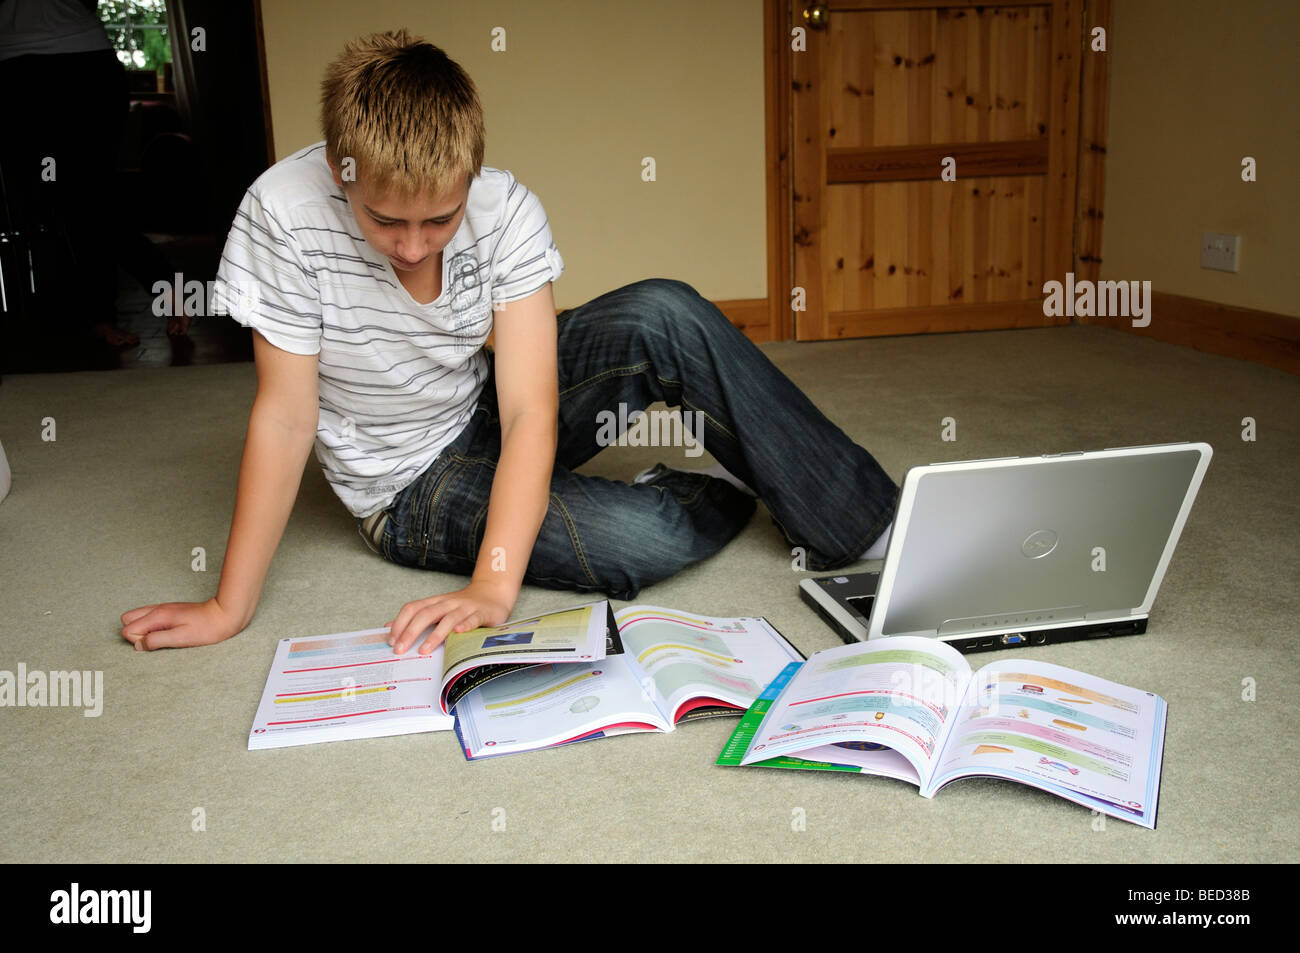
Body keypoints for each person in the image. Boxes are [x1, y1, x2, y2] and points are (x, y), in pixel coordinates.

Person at [120, 30, 897, 655]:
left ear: (471, 177)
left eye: (441, 219)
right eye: (387, 221)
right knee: (641, 540)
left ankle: (860, 519)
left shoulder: (505, 207)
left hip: (488, 407)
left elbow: (530, 409)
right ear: (338, 169)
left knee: (666, 309)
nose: (415, 246)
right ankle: (701, 486)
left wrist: (494, 582)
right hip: (408, 486)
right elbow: (285, 418)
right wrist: (228, 605)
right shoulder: (282, 213)